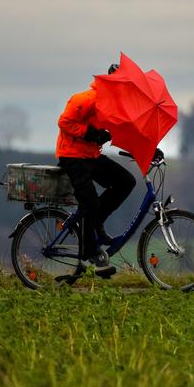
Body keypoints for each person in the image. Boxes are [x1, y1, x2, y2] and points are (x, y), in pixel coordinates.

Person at [55, 63, 136, 277]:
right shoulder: (86, 99)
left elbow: (128, 131)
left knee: (126, 182)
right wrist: (90, 133)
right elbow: (64, 122)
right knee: (89, 203)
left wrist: (152, 150)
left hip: (91, 156)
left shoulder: (113, 106)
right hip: (72, 157)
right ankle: (92, 251)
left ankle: (95, 223)